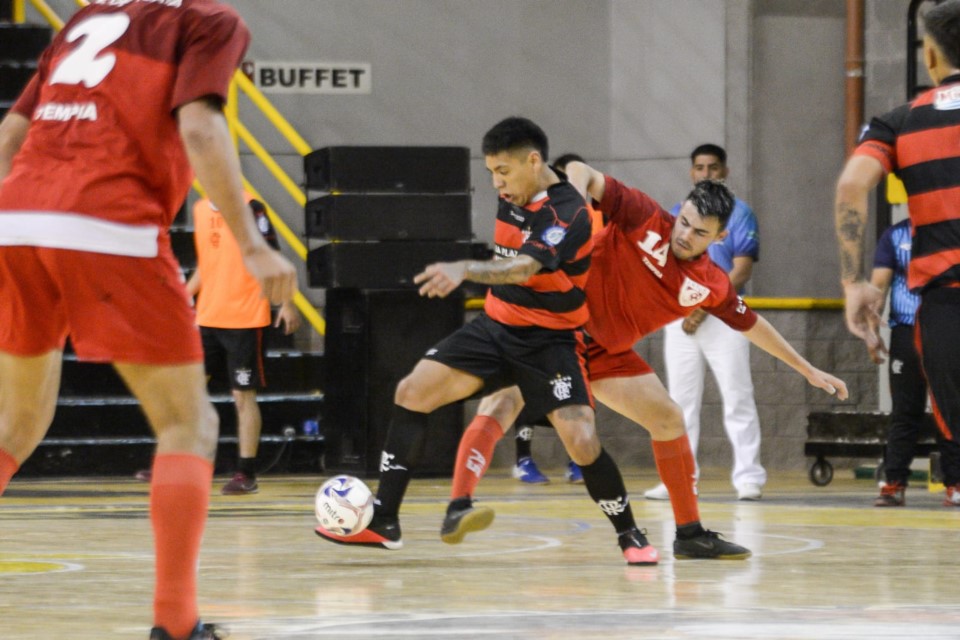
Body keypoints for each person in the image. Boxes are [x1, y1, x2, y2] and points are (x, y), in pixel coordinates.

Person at [0, 2, 298, 639]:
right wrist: (251, 244)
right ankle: (176, 624)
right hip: (110, 220)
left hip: (17, 218)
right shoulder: (207, 21)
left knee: (14, 427)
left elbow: (9, 139)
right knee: (189, 424)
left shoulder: (83, 18)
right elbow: (199, 128)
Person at [444, 161, 847, 561]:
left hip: (606, 353)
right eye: (684, 221)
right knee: (502, 402)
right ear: (680, 210)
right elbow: (579, 169)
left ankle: (689, 533)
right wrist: (575, 210)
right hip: (554, 331)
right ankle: (458, 505)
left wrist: (806, 369)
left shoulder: (710, 284)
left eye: (700, 232)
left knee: (668, 418)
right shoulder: (645, 215)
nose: (685, 234)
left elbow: (752, 324)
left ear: (720, 237)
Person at [315, 116, 662, 566]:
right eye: (491, 172)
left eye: (504, 171)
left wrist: (465, 269)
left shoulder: (568, 213)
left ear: (534, 161)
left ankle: (630, 534)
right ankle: (385, 520)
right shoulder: (513, 193)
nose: (497, 183)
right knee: (411, 392)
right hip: (495, 329)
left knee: (580, 439)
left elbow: (522, 268)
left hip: (550, 341)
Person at [835, 0, 960, 494]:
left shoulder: (898, 121)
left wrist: (852, 282)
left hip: (945, 301)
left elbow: (851, 187)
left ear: (929, 56)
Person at [647, 143, 764, 502]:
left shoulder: (740, 214)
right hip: (680, 318)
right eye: (700, 167)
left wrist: (703, 305)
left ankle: (749, 477)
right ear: (691, 172)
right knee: (679, 403)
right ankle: (679, 479)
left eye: (713, 167)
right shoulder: (674, 214)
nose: (706, 173)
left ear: (725, 172)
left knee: (737, 395)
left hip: (725, 317)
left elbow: (741, 269)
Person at [187, 193, 301, 495]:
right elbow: (206, 266)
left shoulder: (251, 207)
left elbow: (272, 256)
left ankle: (246, 473)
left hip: (246, 320)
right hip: (207, 318)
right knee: (188, 392)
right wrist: (183, 296)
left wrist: (286, 303)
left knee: (242, 397)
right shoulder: (198, 210)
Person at [511, 152, 599, 485]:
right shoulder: (537, 214)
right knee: (528, 391)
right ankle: (523, 459)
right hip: (534, 314)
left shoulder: (588, 215)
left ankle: (576, 462)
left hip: (577, 315)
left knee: (578, 390)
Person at [868, 220, 960, 506]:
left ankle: (955, 483)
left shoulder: (951, 228)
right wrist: (872, 333)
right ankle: (894, 483)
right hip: (907, 332)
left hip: (944, 329)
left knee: (949, 406)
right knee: (905, 410)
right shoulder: (895, 235)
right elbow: (879, 285)